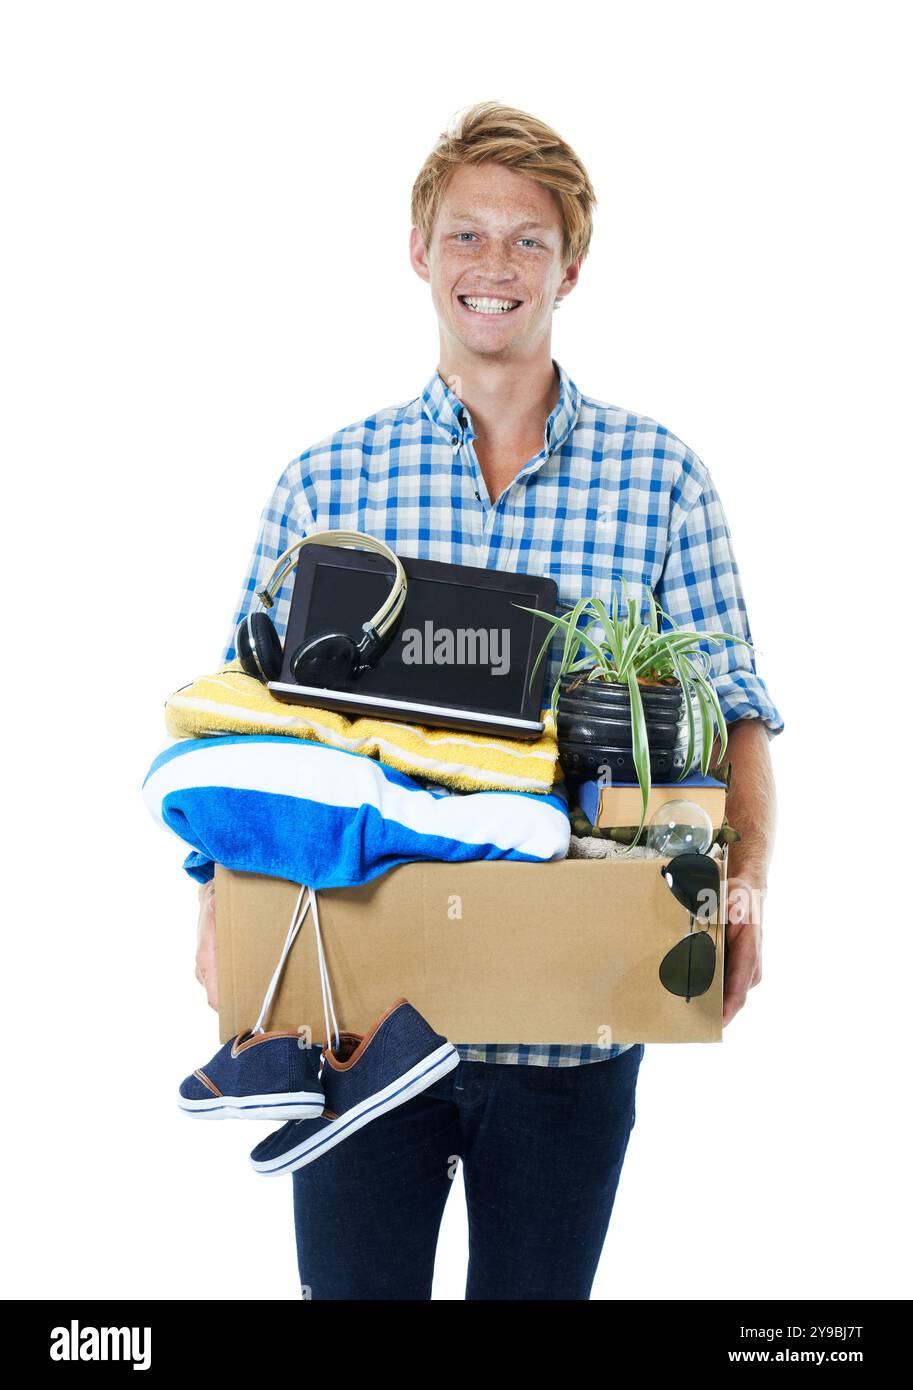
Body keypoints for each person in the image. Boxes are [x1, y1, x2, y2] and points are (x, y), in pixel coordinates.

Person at [194, 101, 782, 1300]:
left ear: (572, 266)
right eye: (467, 234)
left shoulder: (662, 479)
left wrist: (743, 892)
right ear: (420, 252)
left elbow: (734, 712)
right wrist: (218, 905)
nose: (495, 265)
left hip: (572, 1020)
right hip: (357, 1007)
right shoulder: (327, 482)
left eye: (528, 240)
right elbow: (243, 729)